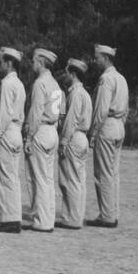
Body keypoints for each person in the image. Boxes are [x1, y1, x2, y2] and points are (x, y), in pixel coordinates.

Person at [88, 43, 129, 228]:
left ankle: (106, 215)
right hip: (119, 125)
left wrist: (93, 132)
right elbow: (126, 107)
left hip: (107, 125)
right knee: (113, 173)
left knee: (102, 173)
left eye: (97, 58)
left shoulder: (106, 79)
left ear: (105, 58)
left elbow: (101, 109)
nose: (95, 61)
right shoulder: (121, 78)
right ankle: (113, 212)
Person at [24, 47, 62, 232]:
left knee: (39, 178)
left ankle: (41, 220)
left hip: (41, 130)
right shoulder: (55, 83)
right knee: (48, 178)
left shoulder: (40, 83)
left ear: (40, 61)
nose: (32, 64)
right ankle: (49, 219)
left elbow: (36, 112)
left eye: (33, 61)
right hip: (52, 130)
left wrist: (29, 137)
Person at [0, 47, 26, 233]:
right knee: (12, 177)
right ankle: (14, 217)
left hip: (6, 131)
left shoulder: (7, 84)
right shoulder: (19, 84)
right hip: (16, 131)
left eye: (2, 62)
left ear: (9, 63)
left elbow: (4, 113)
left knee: (3, 177)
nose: (0, 65)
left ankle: (8, 219)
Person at [56, 58, 93, 229]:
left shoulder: (76, 94)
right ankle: (76, 216)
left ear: (73, 74)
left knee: (69, 179)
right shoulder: (84, 93)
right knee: (78, 179)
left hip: (74, 137)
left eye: (67, 73)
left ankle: (71, 217)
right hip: (82, 137)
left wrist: (63, 141)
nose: (65, 76)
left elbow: (71, 120)